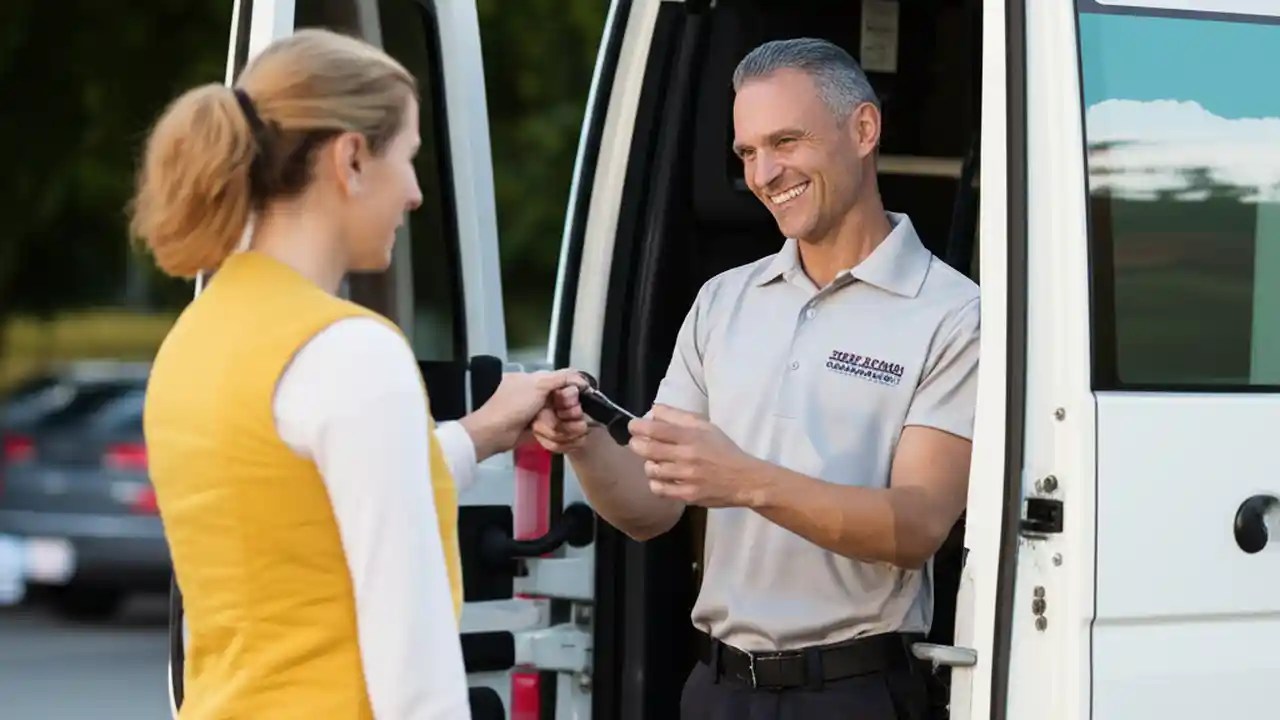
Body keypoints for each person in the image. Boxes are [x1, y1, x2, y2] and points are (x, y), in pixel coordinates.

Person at [130, 29, 580, 719]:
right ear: (351, 159)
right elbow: (413, 667)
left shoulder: (195, 340)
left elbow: (303, 506)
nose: (416, 194)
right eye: (408, 158)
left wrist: (480, 433)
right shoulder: (352, 351)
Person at [534, 38, 979, 719]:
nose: (765, 173)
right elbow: (652, 509)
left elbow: (917, 526)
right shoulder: (723, 300)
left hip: (853, 695)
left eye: (786, 142)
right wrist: (584, 442)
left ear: (864, 130)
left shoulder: (954, 313)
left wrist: (745, 480)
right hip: (716, 690)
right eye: (746, 152)